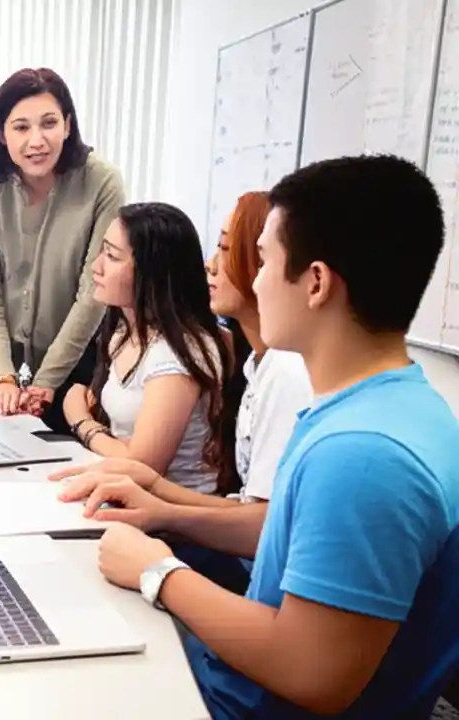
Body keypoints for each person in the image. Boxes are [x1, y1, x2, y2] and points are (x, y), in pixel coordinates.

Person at [88, 155, 459, 717]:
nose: (253, 278)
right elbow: (285, 544)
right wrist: (162, 512)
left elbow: (310, 672)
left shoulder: (362, 454)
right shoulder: (396, 407)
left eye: (262, 260)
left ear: (315, 283)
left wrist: (156, 571)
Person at [49, 191, 311, 592]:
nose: (209, 264)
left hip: (215, 554)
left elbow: (263, 528)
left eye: (225, 249)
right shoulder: (259, 363)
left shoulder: (285, 370)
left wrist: (84, 423)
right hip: (186, 526)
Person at [0, 67, 126, 431]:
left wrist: (47, 381)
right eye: (21, 127)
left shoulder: (102, 181)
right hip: (11, 362)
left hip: (83, 358)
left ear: (68, 125)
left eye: (49, 123)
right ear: (1, 133)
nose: (36, 140)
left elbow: (93, 293)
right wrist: (3, 377)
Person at [58, 203, 231, 493]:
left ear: (153, 273)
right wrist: (112, 441)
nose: (96, 266)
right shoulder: (125, 332)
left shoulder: (177, 353)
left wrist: (82, 423)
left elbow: (142, 468)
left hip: (175, 519)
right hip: (122, 493)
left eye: (112, 256)